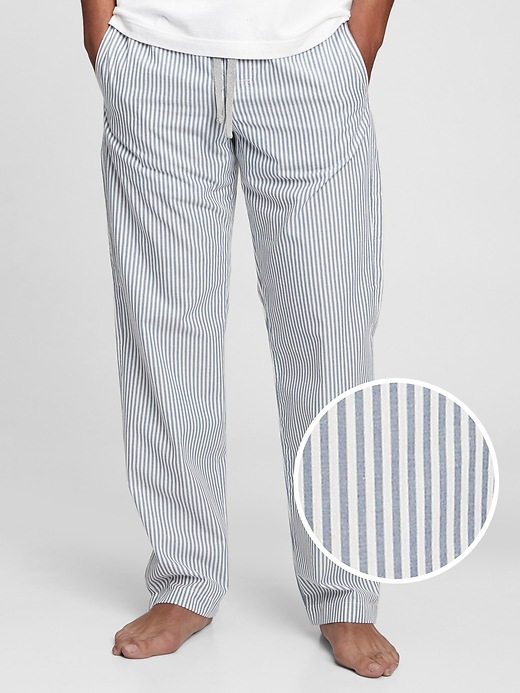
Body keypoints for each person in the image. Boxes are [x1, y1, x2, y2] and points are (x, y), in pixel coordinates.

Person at [81, 0, 399, 678]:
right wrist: (101, 27)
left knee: (330, 335)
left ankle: (344, 590)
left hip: (310, 57)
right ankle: (183, 577)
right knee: (164, 334)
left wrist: (363, 34)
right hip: (154, 56)